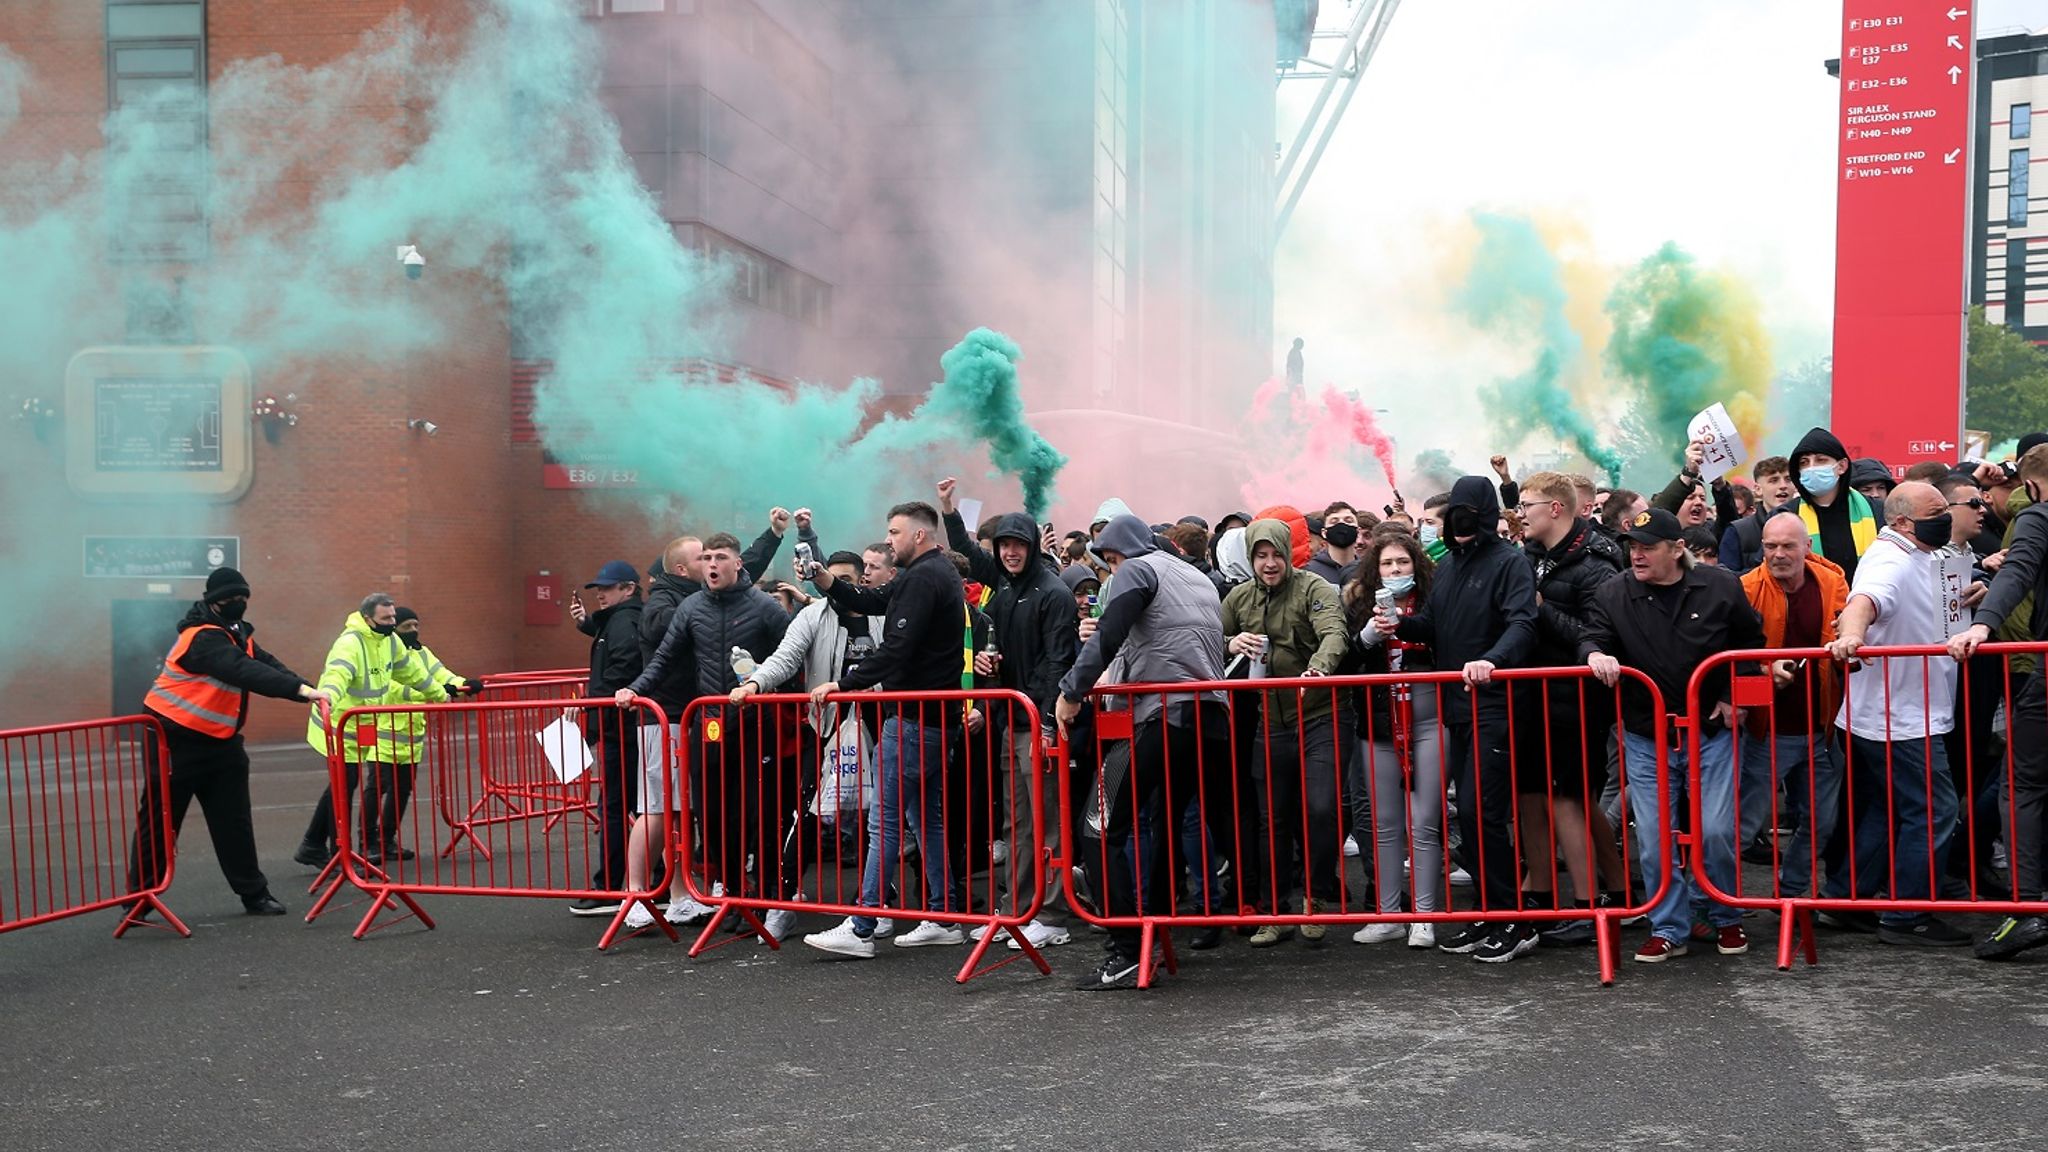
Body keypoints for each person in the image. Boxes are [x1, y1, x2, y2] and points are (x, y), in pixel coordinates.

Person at [1055, 514, 1233, 990]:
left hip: (1162, 714)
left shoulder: (1137, 569)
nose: (1110, 572)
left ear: (1123, 551)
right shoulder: (1193, 574)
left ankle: (1127, 950)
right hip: (1209, 715)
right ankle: (1154, 932)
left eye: (1110, 560)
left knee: (1097, 826)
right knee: (1165, 823)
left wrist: (1072, 690)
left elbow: (1110, 634)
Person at [1581, 508, 1765, 963]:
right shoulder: (1613, 592)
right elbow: (1591, 636)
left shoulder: (1722, 585)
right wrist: (1594, 655)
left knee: (1717, 830)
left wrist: (1733, 695)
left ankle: (1725, 916)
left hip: (1710, 730)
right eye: (1632, 547)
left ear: (1677, 549)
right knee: (1657, 836)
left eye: (1647, 547)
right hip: (1646, 733)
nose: (1637, 555)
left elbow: (1751, 644)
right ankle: (1668, 925)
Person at [1375, 475, 1539, 963]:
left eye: (1469, 515)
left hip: (1494, 703)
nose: (1460, 526)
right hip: (1458, 706)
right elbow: (1436, 627)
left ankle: (1513, 917)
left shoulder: (1509, 562)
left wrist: (1493, 661)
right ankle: (1491, 911)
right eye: (1455, 516)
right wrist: (1400, 624)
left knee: (1482, 810)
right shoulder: (1448, 569)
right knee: (1469, 812)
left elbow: (1522, 623)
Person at [800, 501, 968, 959]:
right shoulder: (930, 575)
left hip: (912, 719)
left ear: (918, 535)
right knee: (923, 819)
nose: (888, 540)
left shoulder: (923, 577)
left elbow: (896, 648)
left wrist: (844, 681)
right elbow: (872, 600)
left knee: (886, 821)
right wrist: (825, 579)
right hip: (930, 720)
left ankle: (862, 925)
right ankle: (945, 916)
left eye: (893, 532)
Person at [130, 568, 329, 915]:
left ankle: (254, 894)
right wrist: (298, 691)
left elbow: (265, 664)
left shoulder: (237, 634)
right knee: (161, 820)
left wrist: (307, 688)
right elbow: (241, 670)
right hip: (174, 739)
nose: (239, 603)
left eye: (244, 598)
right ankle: (138, 901)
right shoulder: (202, 637)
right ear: (213, 601)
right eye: (232, 598)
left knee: (234, 821)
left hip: (221, 743)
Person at [1824, 482, 1971, 946]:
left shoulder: (1918, 553)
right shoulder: (1889, 559)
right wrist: (1850, 636)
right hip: (1899, 718)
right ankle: (1908, 914)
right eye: (1938, 510)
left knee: (1891, 808)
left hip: (1892, 712)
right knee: (1933, 809)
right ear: (1904, 521)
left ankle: (1849, 897)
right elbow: (1863, 601)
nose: (1947, 516)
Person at [938, 478, 1079, 952]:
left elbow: (1058, 661)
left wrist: (1037, 716)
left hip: (1034, 724)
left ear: (1032, 546)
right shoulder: (1004, 589)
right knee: (1015, 823)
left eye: (1018, 544)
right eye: (1004, 545)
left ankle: (1054, 915)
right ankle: (1021, 908)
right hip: (1009, 722)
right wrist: (949, 511)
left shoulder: (1053, 593)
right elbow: (966, 556)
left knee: (1047, 822)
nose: (1010, 552)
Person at [622, 534, 791, 930]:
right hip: (710, 725)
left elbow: (793, 654)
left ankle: (765, 899)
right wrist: (635, 689)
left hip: (755, 724)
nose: (712, 564)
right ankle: (733, 896)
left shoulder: (764, 607)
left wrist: (776, 693)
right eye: (708, 558)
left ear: (737, 564)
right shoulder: (692, 607)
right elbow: (663, 658)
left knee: (757, 814)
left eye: (721, 557)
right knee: (715, 816)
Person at [733, 550, 887, 943]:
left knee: (882, 818)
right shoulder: (812, 616)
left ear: (862, 581)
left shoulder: (882, 614)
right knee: (808, 817)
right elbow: (784, 659)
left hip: (881, 726)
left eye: (846, 578)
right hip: (825, 729)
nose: (835, 585)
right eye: (827, 577)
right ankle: (785, 906)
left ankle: (879, 902)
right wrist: (754, 683)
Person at [1222, 517, 1350, 946]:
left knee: (1320, 808)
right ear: (1251, 558)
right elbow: (1207, 637)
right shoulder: (1238, 596)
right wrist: (1230, 643)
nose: (1269, 563)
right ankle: (1274, 910)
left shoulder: (1313, 588)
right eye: (1261, 555)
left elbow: (1335, 632)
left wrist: (1319, 668)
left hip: (1319, 715)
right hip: (1269, 722)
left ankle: (1316, 900)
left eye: (1276, 554)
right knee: (1269, 819)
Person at [1513, 471, 1628, 944]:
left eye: (1527, 506)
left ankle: (1589, 906)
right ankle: (1578, 894)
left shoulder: (1597, 562)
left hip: (1578, 695)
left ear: (1556, 508)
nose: (1520, 515)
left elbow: (1596, 634)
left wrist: (1540, 608)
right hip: (1536, 693)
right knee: (1547, 795)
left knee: (1570, 796)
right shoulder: (1533, 555)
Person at [1953, 443, 2048, 958]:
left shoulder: (2036, 516)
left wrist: (1985, 622)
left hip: (2045, 674)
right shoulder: (2031, 506)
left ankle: (2026, 910)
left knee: (2022, 785)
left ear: (2029, 487)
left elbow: (2020, 569)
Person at [1736, 513, 1848, 899]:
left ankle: (1793, 895)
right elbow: (1729, 657)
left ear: (1807, 548)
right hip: (1766, 732)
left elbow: (1847, 632)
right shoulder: (1745, 588)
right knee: (1740, 828)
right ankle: (1711, 906)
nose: (1778, 554)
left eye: (1787, 546)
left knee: (1821, 824)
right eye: (1770, 546)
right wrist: (1766, 670)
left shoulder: (1832, 582)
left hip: (1822, 727)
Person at [301, 593, 456, 866]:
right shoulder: (350, 643)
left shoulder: (389, 641)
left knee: (344, 785)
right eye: (386, 618)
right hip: (337, 723)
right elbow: (337, 673)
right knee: (345, 786)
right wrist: (327, 695)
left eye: (393, 617)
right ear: (367, 618)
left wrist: (439, 692)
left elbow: (412, 673)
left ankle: (312, 845)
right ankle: (340, 854)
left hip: (363, 723)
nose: (392, 622)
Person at [1345, 532, 1445, 948]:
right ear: (1375, 569)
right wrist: (1367, 637)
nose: (1396, 570)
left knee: (1423, 822)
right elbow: (1345, 661)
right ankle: (1388, 915)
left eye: (1402, 562)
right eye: (1387, 564)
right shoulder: (1357, 603)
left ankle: (1424, 915)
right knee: (1384, 823)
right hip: (1379, 723)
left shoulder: (1434, 600)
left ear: (1415, 564)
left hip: (1429, 721)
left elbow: (1450, 645)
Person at [570, 561, 646, 917]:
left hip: (624, 729)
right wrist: (589, 624)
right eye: (598, 587)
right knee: (634, 807)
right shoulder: (618, 620)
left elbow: (622, 665)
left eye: (608, 587)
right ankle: (640, 883)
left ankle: (613, 887)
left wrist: (589, 705)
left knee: (618, 808)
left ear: (629, 589)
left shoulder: (624, 622)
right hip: (624, 727)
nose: (600, 592)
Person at [1787, 427, 1878, 582]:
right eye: (1804, 462)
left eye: (1821, 460)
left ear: (1841, 466)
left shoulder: (1875, 510)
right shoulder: (1787, 515)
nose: (1811, 467)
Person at [1719, 456, 1799, 573]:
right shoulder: (1738, 531)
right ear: (1758, 489)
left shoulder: (1807, 523)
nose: (1783, 486)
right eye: (1774, 480)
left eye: (1788, 479)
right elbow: (1726, 579)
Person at [1305, 501, 1364, 586]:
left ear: (1358, 531)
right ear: (1324, 533)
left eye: (1348, 520)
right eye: (1334, 521)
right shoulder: (1310, 572)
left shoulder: (1367, 570)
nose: (1341, 524)